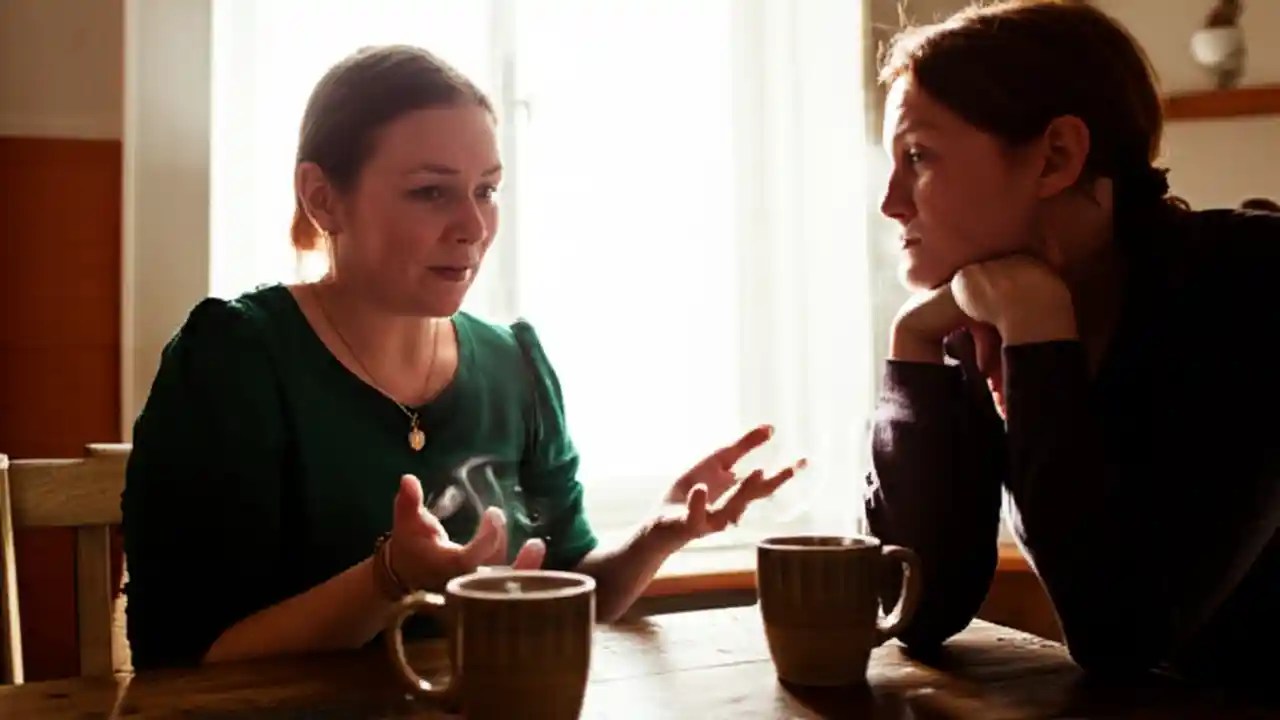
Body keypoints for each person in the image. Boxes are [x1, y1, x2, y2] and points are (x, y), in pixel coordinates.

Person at [121, 44, 802, 670]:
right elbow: (180, 654)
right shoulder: (234, 361)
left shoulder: (516, 365)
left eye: (486, 190)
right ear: (323, 198)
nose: (474, 227)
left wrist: (658, 533)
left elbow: (571, 590)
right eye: (431, 192)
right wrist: (388, 577)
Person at [864, 0, 1279, 686]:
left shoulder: (1255, 286)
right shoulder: (980, 313)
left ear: (1056, 156)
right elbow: (918, 607)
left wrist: (1039, 337)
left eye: (917, 156)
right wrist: (912, 343)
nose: (890, 202)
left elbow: (1123, 630)